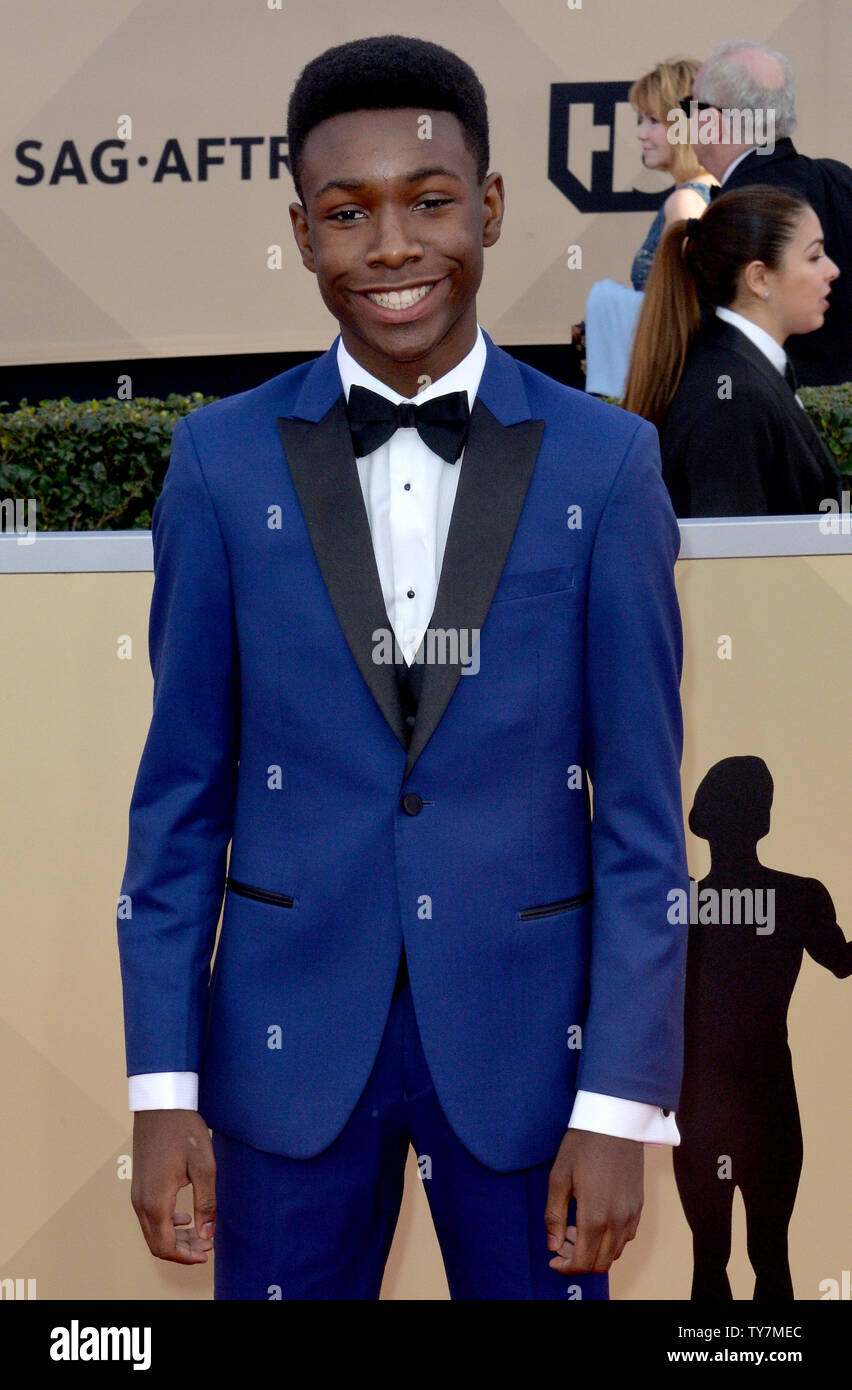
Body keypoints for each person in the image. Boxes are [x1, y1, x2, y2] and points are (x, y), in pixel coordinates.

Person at [117, 34, 690, 1301]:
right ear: (302, 231)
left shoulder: (608, 467)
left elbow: (644, 827)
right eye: (346, 213)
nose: (389, 245)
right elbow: (178, 805)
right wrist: (163, 1093)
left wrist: (624, 1104)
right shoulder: (220, 465)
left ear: (489, 206)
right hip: (280, 1061)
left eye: (429, 202)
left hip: (537, 1059)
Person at [623, 186, 843, 518]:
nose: (832, 270)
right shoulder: (733, 397)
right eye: (814, 256)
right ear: (758, 277)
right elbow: (732, 558)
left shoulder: (739, 374)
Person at [691, 39, 852, 386]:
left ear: (713, 121)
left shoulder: (732, 217)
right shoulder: (840, 180)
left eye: (691, 107)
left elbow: (716, 346)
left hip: (774, 419)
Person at [585, 58, 716, 397]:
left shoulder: (686, 202)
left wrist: (607, 300)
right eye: (641, 119)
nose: (641, 132)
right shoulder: (697, 194)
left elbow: (686, 312)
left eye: (654, 120)